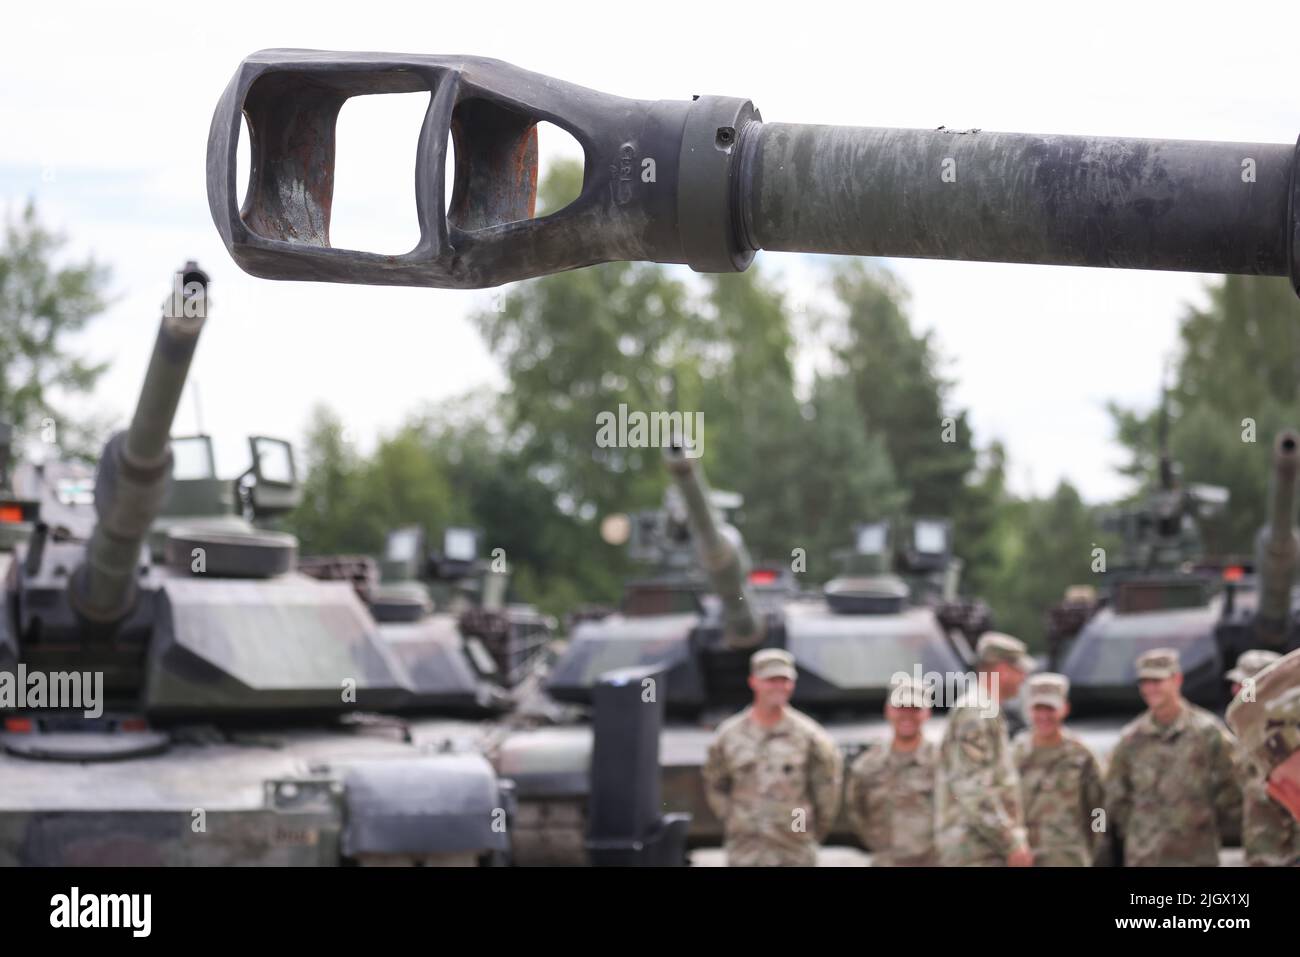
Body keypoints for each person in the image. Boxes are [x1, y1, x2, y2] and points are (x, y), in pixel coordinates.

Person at [702, 648, 843, 866]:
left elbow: (827, 793)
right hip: (746, 851)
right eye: (771, 680)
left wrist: (804, 828)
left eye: (784, 680)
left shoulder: (811, 737)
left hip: (794, 851)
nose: (779, 687)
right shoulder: (728, 736)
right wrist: (736, 819)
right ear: (753, 682)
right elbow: (714, 783)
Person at [1105, 648, 1241, 866]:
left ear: (1177, 679)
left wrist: (1199, 821)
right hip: (1145, 858)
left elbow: (1232, 790)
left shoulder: (1207, 733)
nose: (1150, 688)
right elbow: (1114, 800)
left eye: (1157, 681)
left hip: (1196, 857)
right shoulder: (1130, 740)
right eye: (1145, 682)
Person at [935, 632, 1034, 867]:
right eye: (1019, 670)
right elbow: (972, 787)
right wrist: (1010, 841)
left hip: (982, 847)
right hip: (975, 851)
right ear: (1001, 669)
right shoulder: (976, 712)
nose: (1023, 677)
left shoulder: (986, 710)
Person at [1012, 673, 1104, 866]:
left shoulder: (1081, 756)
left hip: (1067, 858)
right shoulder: (1014, 754)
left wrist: (1097, 848)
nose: (1044, 716)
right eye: (1038, 708)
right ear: (1029, 710)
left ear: (1064, 709)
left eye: (1050, 709)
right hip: (1024, 858)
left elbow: (1099, 808)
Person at [845, 675, 937, 866]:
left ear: (927, 713)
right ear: (888, 710)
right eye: (900, 707)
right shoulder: (868, 766)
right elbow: (857, 813)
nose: (907, 715)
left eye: (915, 708)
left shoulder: (944, 764)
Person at [1224, 650, 1296, 866]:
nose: (1236, 690)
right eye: (1237, 684)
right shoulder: (1247, 744)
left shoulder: (1289, 746)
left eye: (1245, 685)